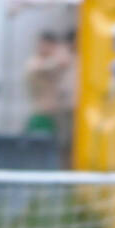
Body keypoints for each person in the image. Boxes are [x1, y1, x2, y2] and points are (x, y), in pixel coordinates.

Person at [24, 31, 75, 165]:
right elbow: (55, 64)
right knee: (39, 152)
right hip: (41, 114)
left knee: (57, 150)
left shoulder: (48, 62)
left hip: (53, 114)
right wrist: (61, 52)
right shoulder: (34, 63)